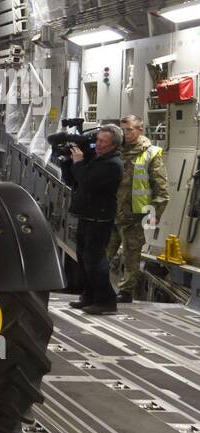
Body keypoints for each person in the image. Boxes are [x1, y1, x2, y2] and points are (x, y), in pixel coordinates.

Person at [64, 124, 125, 315]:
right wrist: (68, 161)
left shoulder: (112, 164)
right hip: (87, 215)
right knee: (83, 257)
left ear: (113, 145)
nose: (97, 144)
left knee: (95, 259)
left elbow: (88, 182)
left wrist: (79, 162)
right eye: (97, 140)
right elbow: (73, 180)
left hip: (99, 218)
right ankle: (89, 296)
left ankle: (106, 301)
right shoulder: (97, 160)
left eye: (102, 142)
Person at [106, 114, 168, 303]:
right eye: (123, 130)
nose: (125, 133)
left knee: (131, 254)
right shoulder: (116, 150)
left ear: (140, 129)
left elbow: (161, 188)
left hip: (134, 215)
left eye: (129, 129)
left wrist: (155, 213)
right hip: (111, 212)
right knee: (104, 253)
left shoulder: (150, 153)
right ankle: (99, 288)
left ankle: (126, 292)